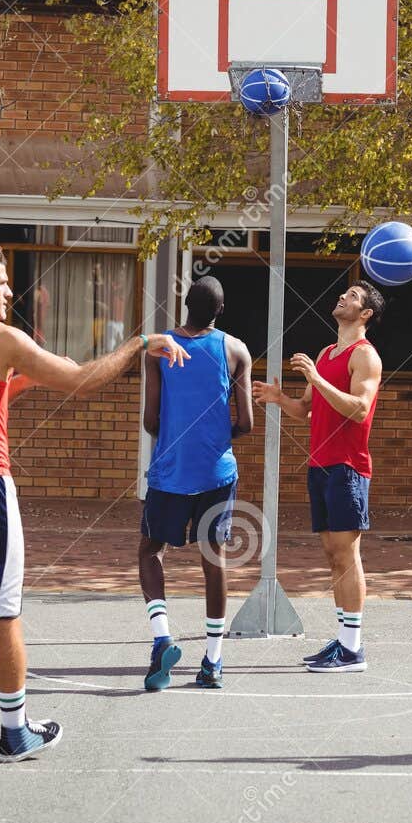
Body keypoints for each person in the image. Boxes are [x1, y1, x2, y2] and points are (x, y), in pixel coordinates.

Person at [0, 242, 186, 780]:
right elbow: (79, 380)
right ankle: (14, 731)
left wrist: (13, 382)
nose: (10, 290)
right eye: (2, 282)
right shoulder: (2, 339)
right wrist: (141, 343)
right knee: (4, 614)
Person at [252, 281, 385, 673]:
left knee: (348, 555)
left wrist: (316, 377)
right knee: (332, 556)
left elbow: (359, 410)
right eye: (343, 293)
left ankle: (354, 650)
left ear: (365, 315)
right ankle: (343, 641)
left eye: (353, 297)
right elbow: (307, 411)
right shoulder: (328, 352)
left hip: (348, 466)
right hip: (321, 464)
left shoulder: (366, 357)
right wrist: (280, 400)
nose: (343, 297)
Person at [138, 276, 254, 691]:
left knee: (151, 551)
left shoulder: (160, 348)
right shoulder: (236, 349)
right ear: (220, 312)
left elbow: (150, 420)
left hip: (171, 469)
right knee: (214, 558)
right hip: (215, 471)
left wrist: (175, 435)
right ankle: (214, 662)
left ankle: (163, 636)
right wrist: (216, 438)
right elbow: (246, 422)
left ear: (184, 304)